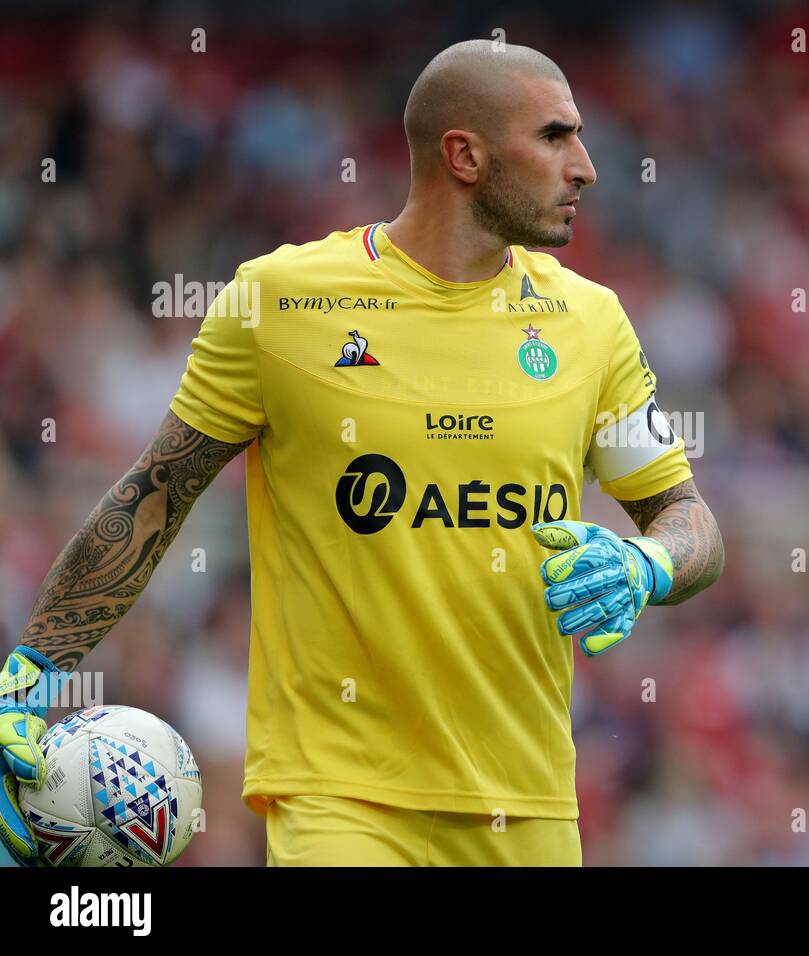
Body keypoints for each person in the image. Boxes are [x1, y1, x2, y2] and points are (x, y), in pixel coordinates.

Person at [0, 39, 723, 867]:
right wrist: (29, 676)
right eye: (555, 137)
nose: (585, 167)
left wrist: (645, 564)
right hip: (339, 801)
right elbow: (154, 498)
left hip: (527, 806)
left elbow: (687, 519)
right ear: (464, 155)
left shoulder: (592, 324)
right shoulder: (281, 302)